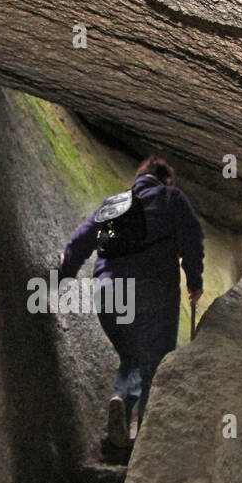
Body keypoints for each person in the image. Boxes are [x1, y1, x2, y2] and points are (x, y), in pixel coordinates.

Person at [58, 156, 205, 456]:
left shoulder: (116, 202)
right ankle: (145, 449)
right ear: (165, 180)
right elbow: (192, 239)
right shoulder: (171, 197)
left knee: (132, 357)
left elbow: (83, 239)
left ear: (139, 177)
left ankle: (118, 426)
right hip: (153, 293)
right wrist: (194, 281)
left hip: (108, 294)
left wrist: (62, 275)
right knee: (155, 370)